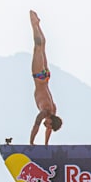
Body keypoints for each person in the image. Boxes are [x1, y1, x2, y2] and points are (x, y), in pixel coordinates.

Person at [29, 10, 62, 145]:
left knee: (42, 47)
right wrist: (31, 143)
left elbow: (48, 130)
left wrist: (46, 144)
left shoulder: (53, 110)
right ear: (51, 120)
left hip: (46, 77)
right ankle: (34, 25)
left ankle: (37, 25)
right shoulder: (45, 112)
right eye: (48, 125)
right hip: (39, 78)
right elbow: (36, 126)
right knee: (38, 47)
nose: (46, 126)